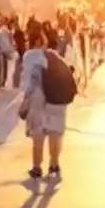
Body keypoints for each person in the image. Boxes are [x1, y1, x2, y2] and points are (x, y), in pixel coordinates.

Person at [19, 22, 67, 178]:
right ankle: (54, 164)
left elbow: (26, 84)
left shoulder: (28, 56)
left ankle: (37, 166)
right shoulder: (54, 56)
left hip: (38, 99)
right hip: (56, 99)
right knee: (55, 133)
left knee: (38, 135)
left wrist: (25, 101)